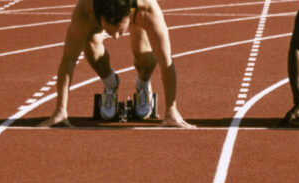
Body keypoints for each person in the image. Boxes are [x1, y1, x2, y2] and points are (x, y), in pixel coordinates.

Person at [40, 0, 194, 128]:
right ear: (98, 16)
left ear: (130, 14)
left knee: (143, 55)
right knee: (90, 44)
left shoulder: (147, 8)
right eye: (109, 30)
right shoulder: (86, 11)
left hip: (137, 11)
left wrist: (171, 110)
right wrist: (60, 110)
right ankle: (110, 83)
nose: (115, 37)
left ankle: (143, 82)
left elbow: (166, 60)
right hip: (101, 10)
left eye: (121, 31)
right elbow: (69, 59)